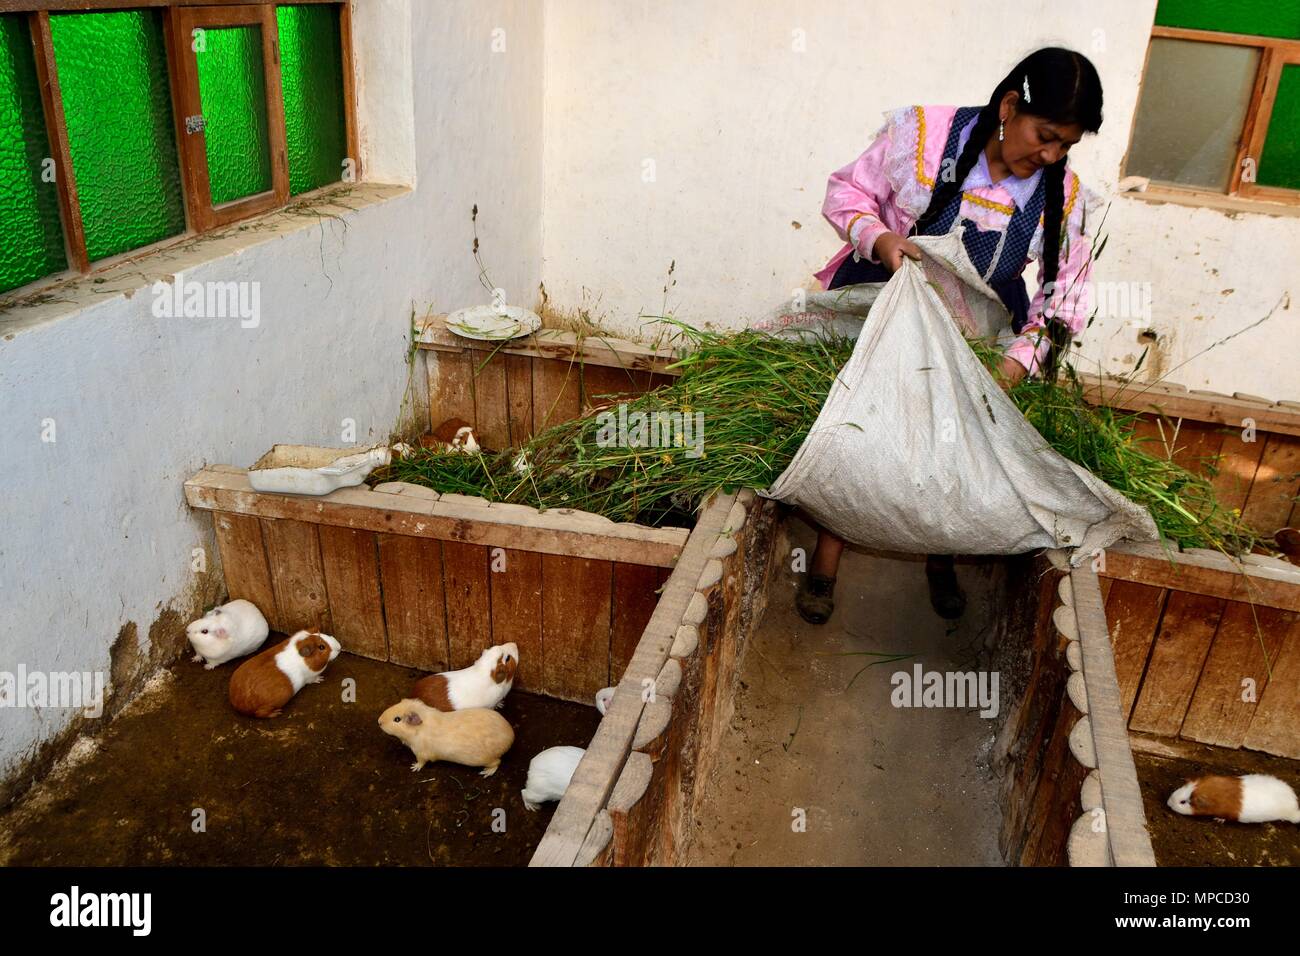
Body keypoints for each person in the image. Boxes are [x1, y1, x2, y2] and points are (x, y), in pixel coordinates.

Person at [797, 47, 1103, 626]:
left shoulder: (1060, 194)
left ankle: (940, 557)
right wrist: (883, 240)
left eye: (1066, 145)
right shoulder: (927, 137)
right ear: (1009, 107)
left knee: (954, 441)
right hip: (889, 296)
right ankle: (825, 558)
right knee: (861, 422)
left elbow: (1066, 294)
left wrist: (1014, 364)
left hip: (977, 323)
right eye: (1046, 135)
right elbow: (846, 194)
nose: (1051, 154)